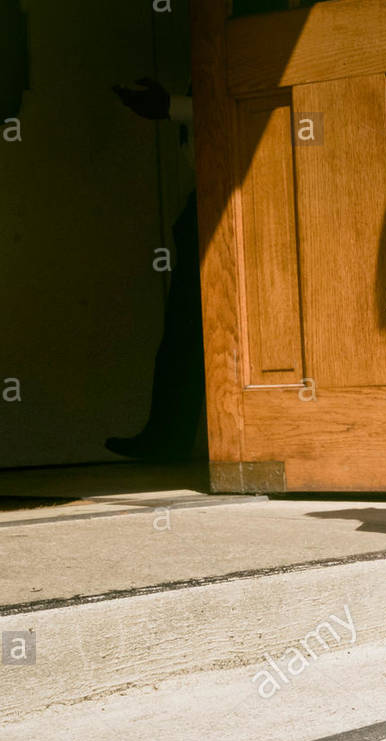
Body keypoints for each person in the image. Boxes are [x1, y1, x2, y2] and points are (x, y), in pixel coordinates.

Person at [106, 77, 205, 461]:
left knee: (187, 328)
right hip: (205, 203)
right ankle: (167, 436)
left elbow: (241, 104)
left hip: (234, 203)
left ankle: (169, 437)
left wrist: (171, 107)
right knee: (184, 330)